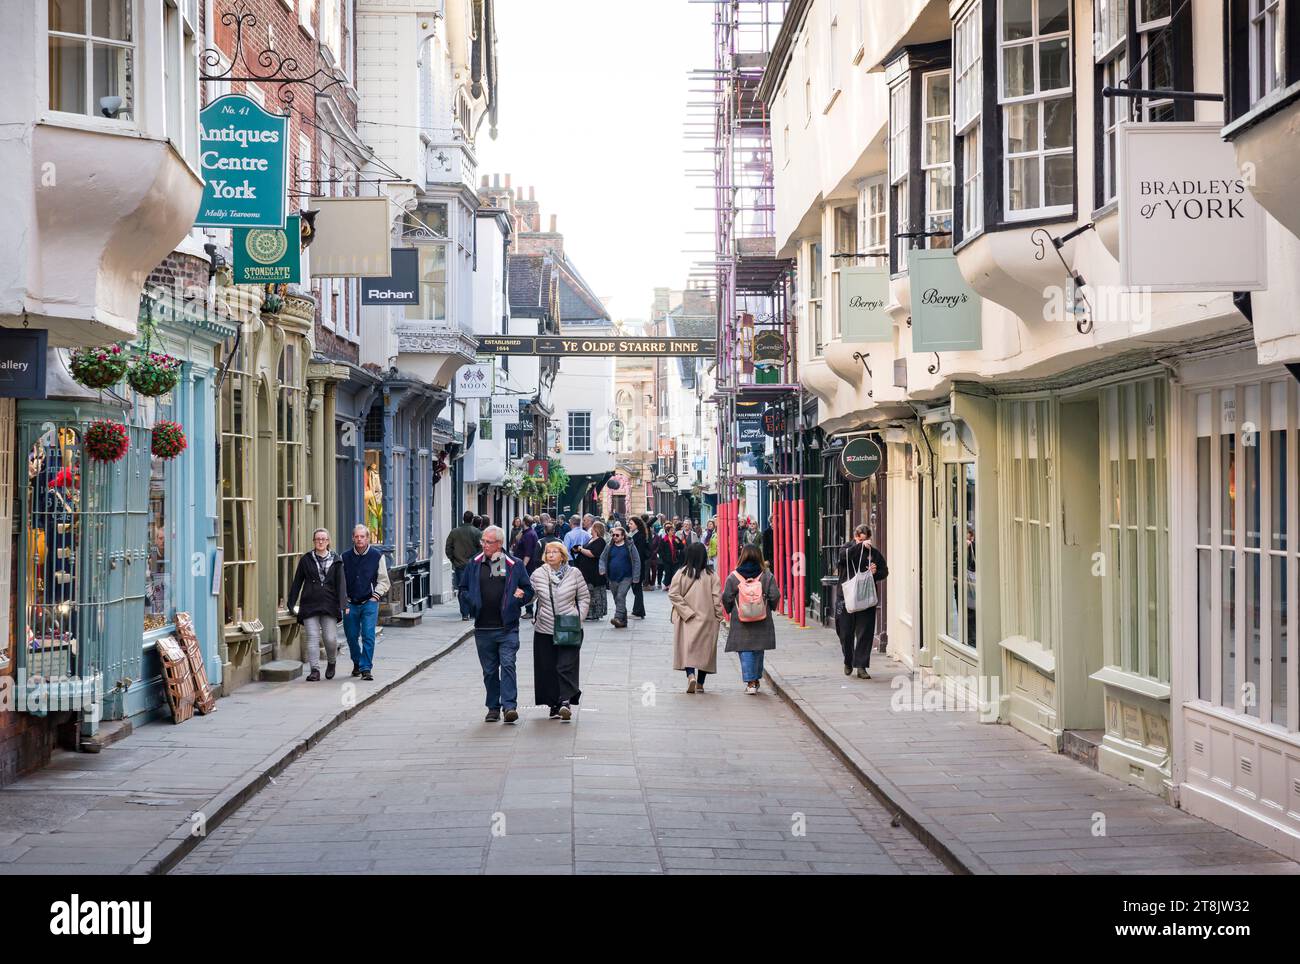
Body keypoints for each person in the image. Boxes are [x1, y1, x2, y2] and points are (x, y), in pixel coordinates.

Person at [459, 525, 533, 723]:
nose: (483, 545)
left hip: (507, 628)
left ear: (499, 544)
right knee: (490, 671)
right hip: (483, 628)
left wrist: (519, 599)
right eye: (482, 541)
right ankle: (493, 707)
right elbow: (463, 588)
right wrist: (471, 602)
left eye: (488, 542)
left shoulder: (512, 564)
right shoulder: (474, 563)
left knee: (507, 664)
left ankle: (509, 706)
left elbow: (528, 590)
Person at [530, 540, 590, 720]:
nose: (550, 555)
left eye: (554, 552)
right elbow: (529, 596)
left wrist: (579, 618)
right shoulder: (537, 574)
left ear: (563, 556)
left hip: (569, 626)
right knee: (547, 668)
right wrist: (518, 596)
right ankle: (554, 704)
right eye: (548, 552)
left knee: (565, 665)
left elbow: (584, 597)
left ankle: (565, 701)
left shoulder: (574, 573)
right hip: (545, 627)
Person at [286, 528, 346, 681]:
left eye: (323, 539)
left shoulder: (336, 559)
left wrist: (344, 604)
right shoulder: (306, 559)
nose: (320, 541)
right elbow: (298, 581)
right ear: (313, 541)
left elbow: (341, 584)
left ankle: (332, 662)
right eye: (317, 539)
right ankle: (314, 670)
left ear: (328, 541)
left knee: (330, 638)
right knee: (312, 637)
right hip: (310, 603)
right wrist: (291, 602)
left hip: (329, 604)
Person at [722, 545, 781, 694]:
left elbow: (726, 596)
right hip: (761, 618)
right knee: (758, 648)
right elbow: (775, 595)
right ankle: (755, 679)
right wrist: (770, 607)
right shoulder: (766, 575)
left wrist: (730, 609)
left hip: (741, 619)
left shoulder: (734, 576)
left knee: (745, 650)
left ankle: (750, 683)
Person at [669, 541, 725, 694]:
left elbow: (673, 594)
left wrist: (686, 611)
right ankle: (700, 683)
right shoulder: (712, 575)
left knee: (688, 648)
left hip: (687, 618)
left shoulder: (681, 573)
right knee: (705, 651)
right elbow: (716, 598)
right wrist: (719, 616)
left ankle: (690, 676)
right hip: (707, 618)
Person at [837, 524, 889, 679]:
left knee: (865, 633)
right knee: (845, 632)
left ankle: (861, 666)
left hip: (866, 598)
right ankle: (848, 660)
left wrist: (875, 573)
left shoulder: (874, 553)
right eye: (860, 540)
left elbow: (884, 571)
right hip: (845, 597)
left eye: (866, 540)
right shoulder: (847, 548)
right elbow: (842, 557)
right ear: (855, 537)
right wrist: (859, 547)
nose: (864, 542)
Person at [342, 524, 390, 682]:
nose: (359, 539)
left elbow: (384, 580)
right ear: (353, 538)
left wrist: (375, 596)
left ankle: (366, 668)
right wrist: (344, 599)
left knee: (368, 635)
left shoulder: (377, 556)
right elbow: (340, 581)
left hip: (369, 601)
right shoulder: (345, 557)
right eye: (357, 536)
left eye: (362, 536)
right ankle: (357, 661)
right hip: (350, 603)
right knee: (351, 636)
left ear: (368, 538)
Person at [598, 524, 641, 629]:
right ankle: (623, 621)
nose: (615, 537)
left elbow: (636, 561)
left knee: (620, 596)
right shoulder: (609, 546)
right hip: (612, 577)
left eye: (617, 535)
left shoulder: (630, 546)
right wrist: (602, 569)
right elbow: (602, 558)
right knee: (617, 599)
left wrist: (636, 577)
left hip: (626, 576)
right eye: (613, 535)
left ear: (623, 536)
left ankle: (617, 617)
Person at [446, 510, 483, 621]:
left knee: (462, 589)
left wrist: (453, 559)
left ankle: (464, 613)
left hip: (459, 565)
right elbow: (482, 549)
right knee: (474, 588)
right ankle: (472, 612)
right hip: (473, 565)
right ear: (472, 519)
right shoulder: (476, 532)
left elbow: (448, 548)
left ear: (463, 518)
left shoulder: (454, 532)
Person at [573, 520, 607, 621]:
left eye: (593, 527)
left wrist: (580, 549)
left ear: (596, 529)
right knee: (587, 592)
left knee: (594, 592)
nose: (591, 529)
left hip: (594, 572)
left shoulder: (600, 541)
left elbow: (593, 554)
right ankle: (588, 612)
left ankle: (594, 613)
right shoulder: (591, 539)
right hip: (586, 571)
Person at [628, 516, 649, 617]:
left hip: (638, 566)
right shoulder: (632, 535)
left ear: (637, 525)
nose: (629, 525)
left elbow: (639, 554)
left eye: (631, 523)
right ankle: (640, 611)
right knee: (636, 589)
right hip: (634, 566)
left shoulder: (639, 536)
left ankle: (637, 611)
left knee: (637, 588)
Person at [657, 523, 681, 589]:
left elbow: (681, 547)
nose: (673, 532)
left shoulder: (676, 538)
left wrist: (678, 542)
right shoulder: (663, 540)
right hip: (667, 560)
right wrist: (664, 558)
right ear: (667, 532)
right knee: (668, 573)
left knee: (675, 573)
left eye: (673, 530)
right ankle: (666, 583)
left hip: (675, 559)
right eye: (671, 530)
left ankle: (672, 585)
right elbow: (660, 550)